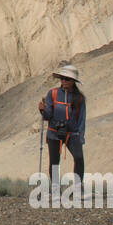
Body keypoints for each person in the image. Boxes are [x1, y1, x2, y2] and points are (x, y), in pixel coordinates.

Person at [38, 64, 86, 198]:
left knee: (79, 158)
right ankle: (55, 190)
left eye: (67, 79)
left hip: (73, 134)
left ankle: (77, 188)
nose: (64, 81)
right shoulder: (52, 93)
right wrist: (42, 109)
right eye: (62, 78)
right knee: (54, 162)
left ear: (73, 82)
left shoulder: (80, 98)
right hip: (54, 132)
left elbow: (82, 119)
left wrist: (80, 137)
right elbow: (47, 116)